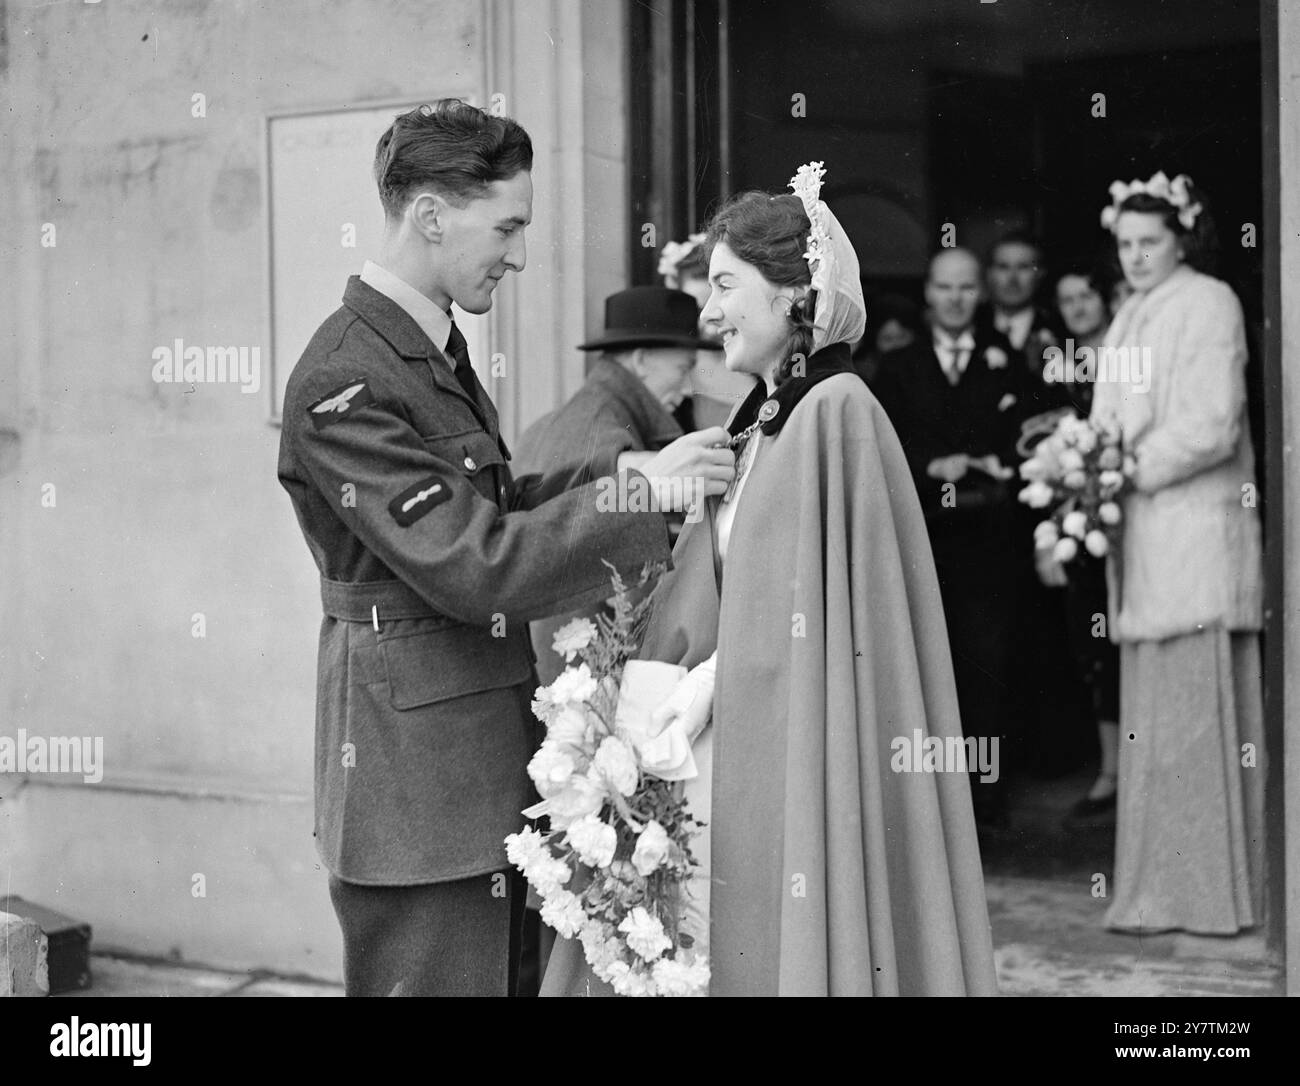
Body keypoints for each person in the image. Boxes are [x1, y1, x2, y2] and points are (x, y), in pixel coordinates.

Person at [276, 99, 735, 996]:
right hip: (416, 787)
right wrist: (641, 494)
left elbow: (503, 497)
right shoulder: (347, 376)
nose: (520, 253)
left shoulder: (423, 346)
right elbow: (473, 561)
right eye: (508, 225)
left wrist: (640, 471)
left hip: (469, 760)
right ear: (432, 214)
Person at [542, 166, 998, 996]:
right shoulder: (757, 419)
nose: (708, 313)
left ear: (794, 294)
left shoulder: (837, 413)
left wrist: (709, 681)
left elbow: (830, 627)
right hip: (731, 751)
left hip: (793, 756)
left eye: (725, 286)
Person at [1091, 172, 1264, 934]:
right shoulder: (1132, 312)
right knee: (1153, 727)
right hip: (1145, 540)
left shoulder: (1208, 302)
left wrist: (1125, 468)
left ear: (1183, 239)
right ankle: (1158, 892)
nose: (1134, 257)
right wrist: (1087, 463)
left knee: (1195, 723)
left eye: (1149, 243)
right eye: (1124, 244)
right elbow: (1111, 422)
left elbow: (1212, 424)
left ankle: (1209, 899)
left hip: (1193, 536)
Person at [870, 247, 1028, 827]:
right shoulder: (898, 365)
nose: (956, 299)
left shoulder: (1007, 360)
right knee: (926, 667)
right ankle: (927, 814)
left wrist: (990, 461)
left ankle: (985, 808)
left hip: (989, 544)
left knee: (987, 667)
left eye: (967, 288)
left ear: (979, 294)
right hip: (924, 544)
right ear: (928, 294)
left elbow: (1031, 436)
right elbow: (883, 442)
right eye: (945, 287)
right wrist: (932, 466)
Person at [516, 286, 720, 685]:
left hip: (546, 667)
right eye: (683, 368)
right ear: (641, 360)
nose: (687, 387)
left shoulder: (561, 420)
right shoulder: (609, 435)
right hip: (583, 674)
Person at [1032, 263, 1123, 819]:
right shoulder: (1057, 368)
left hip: (1128, 513)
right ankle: (1111, 772)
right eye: (1067, 298)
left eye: (1086, 292)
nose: (1079, 307)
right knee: (1096, 649)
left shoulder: (1130, 354)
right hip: (1080, 522)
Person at [659, 235, 754, 429]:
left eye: (722, 305)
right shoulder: (676, 372)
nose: (710, 328)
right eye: (695, 310)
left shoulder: (755, 357)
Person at [852, 292, 922, 385]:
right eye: (888, 339)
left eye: (902, 337)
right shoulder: (861, 376)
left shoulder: (925, 370)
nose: (896, 345)